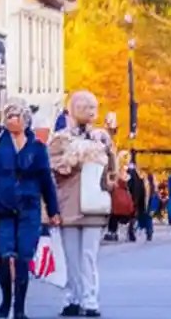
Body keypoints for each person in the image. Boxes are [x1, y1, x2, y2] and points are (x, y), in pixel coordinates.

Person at [0, 98, 60, 319]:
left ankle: (19, 307)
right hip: (1, 209)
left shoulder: (37, 148)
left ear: (25, 120)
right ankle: (5, 300)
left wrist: (53, 209)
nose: (12, 120)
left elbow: (46, 180)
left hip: (28, 209)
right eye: (8, 115)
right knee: (3, 255)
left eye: (16, 116)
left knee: (22, 257)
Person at [49, 90, 117, 318]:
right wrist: (72, 158)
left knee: (88, 255)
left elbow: (112, 170)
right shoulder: (60, 138)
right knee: (70, 256)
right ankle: (73, 297)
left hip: (93, 203)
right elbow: (54, 166)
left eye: (93, 107)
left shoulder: (100, 139)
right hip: (68, 203)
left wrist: (104, 152)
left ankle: (89, 299)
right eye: (86, 107)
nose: (91, 112)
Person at [127, 164, 151, 241]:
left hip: (132, 199)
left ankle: (132, 232)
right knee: (137, 216)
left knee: (133, 217)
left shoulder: (130, 177)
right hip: (139, 200)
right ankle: (146, 231)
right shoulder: (141, 179)